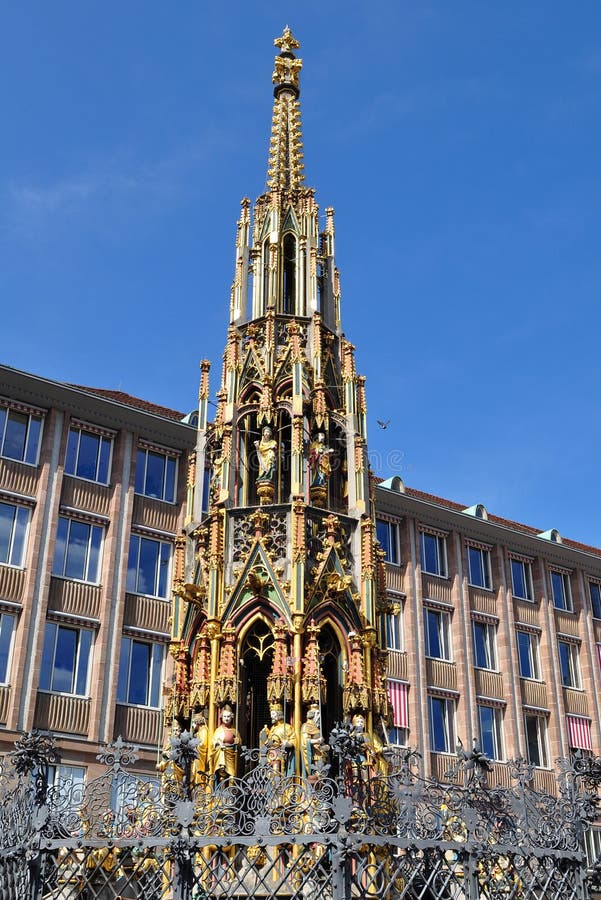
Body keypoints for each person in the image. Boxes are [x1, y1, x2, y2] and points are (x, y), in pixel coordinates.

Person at [210, 705, 241, 781]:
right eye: (225, 716)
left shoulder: (234, 730)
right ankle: (221, 790)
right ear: (221, 717)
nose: (226, 719)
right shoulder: (218, 730)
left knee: (232, 775)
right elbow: (213, 741)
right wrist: (219, 744)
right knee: (222, 773)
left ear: (231, 717)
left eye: (228, 717)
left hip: (231, 753)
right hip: (222, 753)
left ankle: (231, 790)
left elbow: (240, 742)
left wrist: (237, 741)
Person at [265, 705, 297, 776]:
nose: (271, 716)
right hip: (270, 754)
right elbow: (268, 742)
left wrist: (287, 744)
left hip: (280, 755)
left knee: (276, 773)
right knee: (269, 774)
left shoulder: (287, 727)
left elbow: (293, 741)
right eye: (271, 714)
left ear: (279, 714)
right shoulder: (273, 728)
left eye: (273, 714)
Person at [300, 704, 329, 778]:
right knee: (318, 775)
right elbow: (305, 741)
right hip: (315, 755)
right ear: (312, 715)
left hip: (321, 753)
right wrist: (317, 741)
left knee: (322, 775)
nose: (319, 716)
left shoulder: (316, 727)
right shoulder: (306, 726)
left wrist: (326, 747)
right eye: (317, 714)